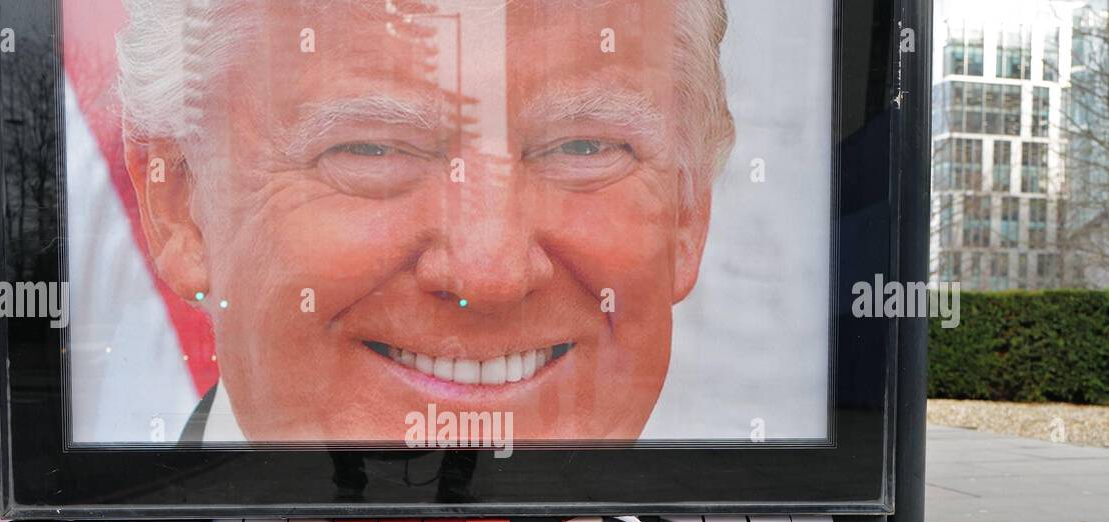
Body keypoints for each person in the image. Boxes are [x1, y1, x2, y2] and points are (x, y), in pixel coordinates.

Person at [117, 0, 735, 445]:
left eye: (582, 149)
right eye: (371, 150)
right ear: (180, 209)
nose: (489, 275)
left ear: (690, 209)